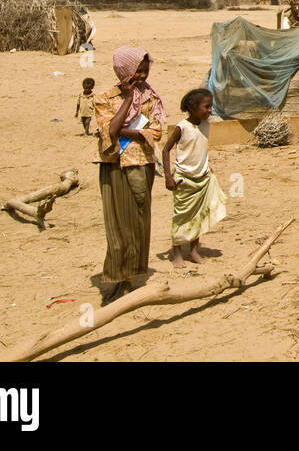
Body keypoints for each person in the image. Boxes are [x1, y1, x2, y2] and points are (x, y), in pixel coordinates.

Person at [94, 46, 166, 304]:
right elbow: (110, 131)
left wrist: (128, 131)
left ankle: (131, 276)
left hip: (141, 165)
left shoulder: (151, 98)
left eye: (145, 71)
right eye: (137, 70)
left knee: (138, 222)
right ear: (124, 70)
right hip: (114, 165)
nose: (142, 76)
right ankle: (113, 278)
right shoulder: (104, 98)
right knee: (116, 226)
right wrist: (127, 100)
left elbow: (156, 132)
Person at [162, 89, 228, 265]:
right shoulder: (182, 127)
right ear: (193, 107)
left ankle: (193, 251)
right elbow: (165, 149)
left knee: (198, 216)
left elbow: (200, 148)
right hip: (183, 179)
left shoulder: (206, 124)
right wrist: (168, 177)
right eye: (206, 107)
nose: (209, 110)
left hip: (202, 177)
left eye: (210, 107)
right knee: (181, 216)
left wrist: (206, 166)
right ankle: (177, 252)